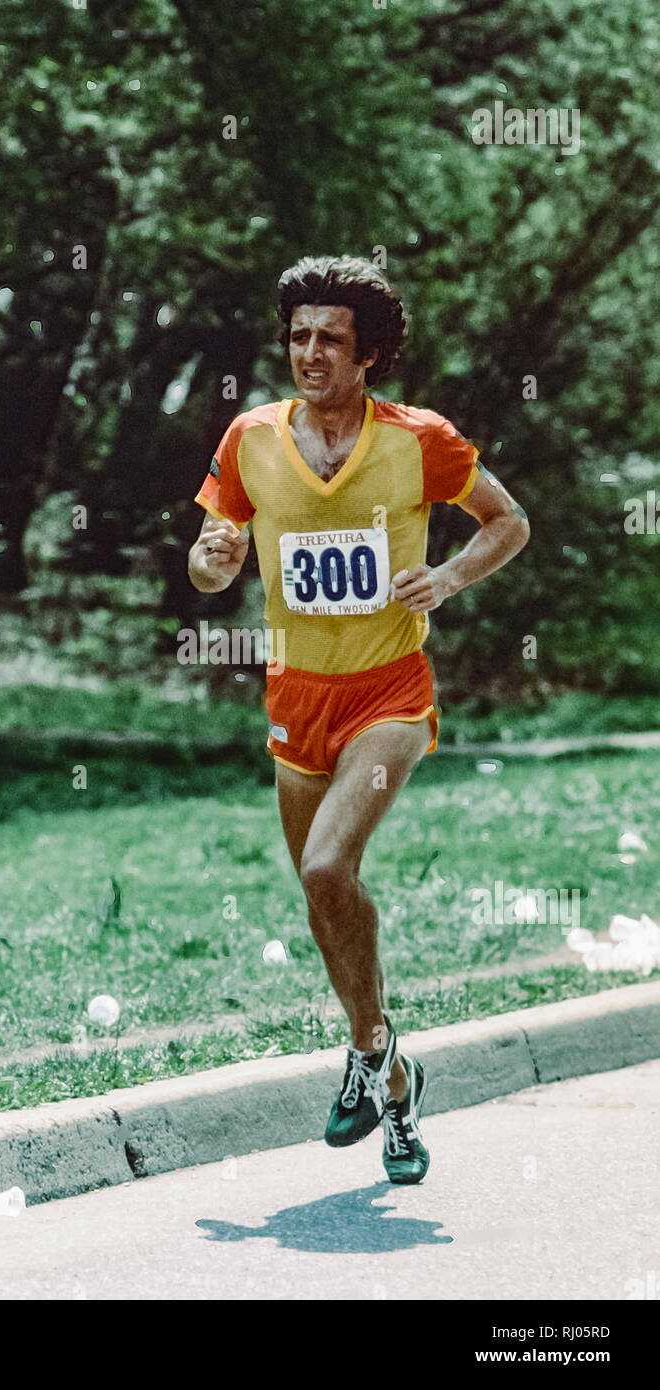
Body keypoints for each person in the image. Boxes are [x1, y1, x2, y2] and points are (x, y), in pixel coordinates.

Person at [188, 255, 529, 1182]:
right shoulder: (252, 437)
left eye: (329, 338)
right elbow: (208, 564)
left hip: (389, 693)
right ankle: (382, 1065)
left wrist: (448, 577)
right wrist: (215, 561)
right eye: (297, 335)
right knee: (323, 900)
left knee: (328, 862)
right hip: (296, 697)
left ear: (367, 353)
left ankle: (374, 1062)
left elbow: (508, 522)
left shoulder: (421, 440)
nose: (309, 353)